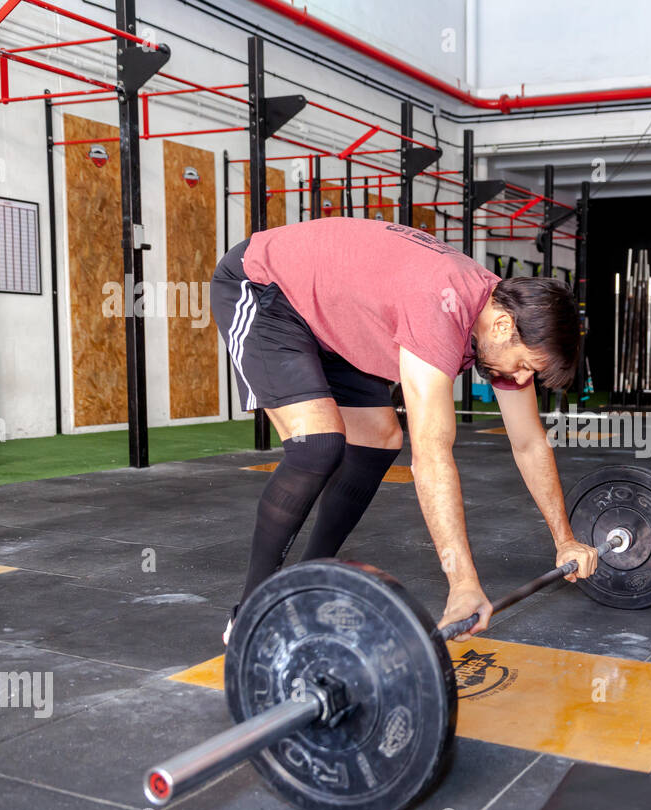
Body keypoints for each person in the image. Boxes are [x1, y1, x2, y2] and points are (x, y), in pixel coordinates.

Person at [210, 217, 591, 644]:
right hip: (265, 287)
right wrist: (462, 583)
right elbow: (431, 455)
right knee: (317, 446)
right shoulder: (440, 309)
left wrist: (566, 541)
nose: (521, 379)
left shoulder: (500, 318)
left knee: (380, 440)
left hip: (330, 317)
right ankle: (250, 613)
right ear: (503, 326)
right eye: (524, 365)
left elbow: (528, 441)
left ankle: (305, 581)